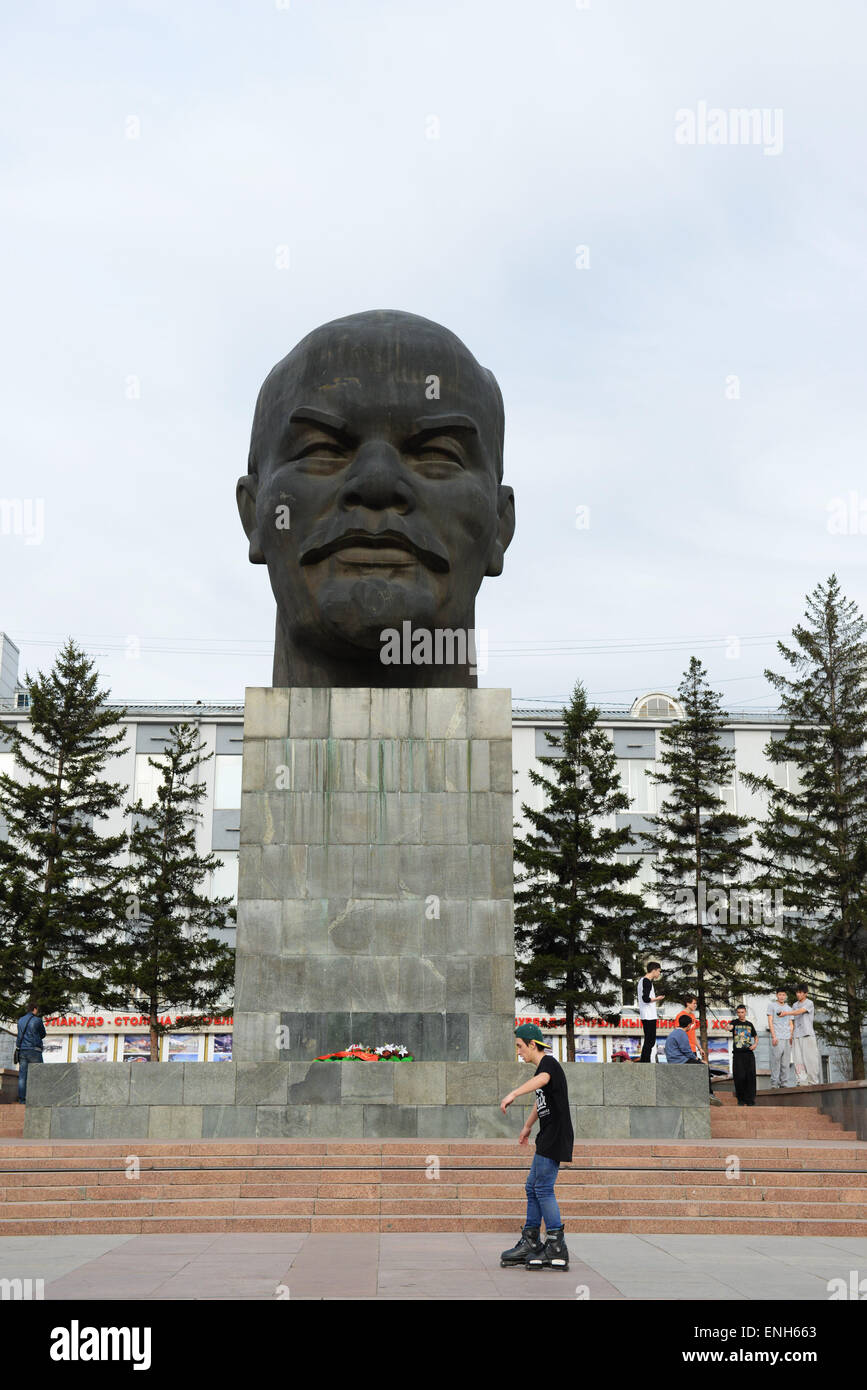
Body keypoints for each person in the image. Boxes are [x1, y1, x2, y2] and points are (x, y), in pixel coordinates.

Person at [499, 1023, 574, 1271]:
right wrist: (528, 1126)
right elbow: (540, 1099)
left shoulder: (548, 1064)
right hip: (546, 1134)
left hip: (555, 1136)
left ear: (533, 1045)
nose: (518, 1051)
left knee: (542, 1188)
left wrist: (513, 1093)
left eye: (520, 1046)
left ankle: (555, 1246)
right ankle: (531, 1242)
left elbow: (543, 1080)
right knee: (532, 1186)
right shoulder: (541, 1070)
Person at [781, 985, 820, 1085]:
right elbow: (793, 1021)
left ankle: (813, 1081)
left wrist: (786, 1013)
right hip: (796, 1036)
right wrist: (791, 1035)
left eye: (801, 992)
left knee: (810, 1059)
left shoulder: (809, 1003)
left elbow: (800, 1011)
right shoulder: (794, 1005)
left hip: (807, 1034)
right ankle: (801, 1081)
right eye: (797, 992)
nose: (798, 994)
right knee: (798, 1059)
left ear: (805, 993)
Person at [16, 1002, 45, 1103]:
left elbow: (19, 1036)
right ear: (35, 1009)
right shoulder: (37, 1020)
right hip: (34, 1050)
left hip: (23, 1050)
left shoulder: (20, 1020)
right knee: (39, 1074)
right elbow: (43, 1034)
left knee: (22, 1075)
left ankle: (22, 1100)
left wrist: (19, 1047)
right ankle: (37, 1098)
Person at [730, 1004, 758, 1105]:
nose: (741, 1014)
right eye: (739, 1012)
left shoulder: (750, 1024)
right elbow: (729, 1027)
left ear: (745, 1012)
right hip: (738, 1055)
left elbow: (755, 1036)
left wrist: (755, 1044)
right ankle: (741, 1099)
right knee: (739, 1077)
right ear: (737, 1013)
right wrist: (728, 1027)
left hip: (749, 1054)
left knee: (750, 1077)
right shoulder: (734, 1022)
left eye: (742, 1012)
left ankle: (750, 1100)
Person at [767, 988, 794, 1089]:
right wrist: (774, 1036)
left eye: (783, 995)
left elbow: (791, 1024)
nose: (782, 996)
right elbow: (770, 1022)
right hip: (777, 1037)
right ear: (777, 995)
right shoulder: (772, 1006)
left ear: (786, 996)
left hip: (787, 1038)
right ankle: (774, 1083)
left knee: (786, 1063)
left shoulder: (789, 1008)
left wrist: (791, 1036)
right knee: (776, 1061)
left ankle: (784, 1084)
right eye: (780, 994)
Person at [638, 963, 665, 1062]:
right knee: (650, 1040)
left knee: (649, 1040)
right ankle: (645, 1061)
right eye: (659, 971)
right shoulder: (647, 981)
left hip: (645, 1014)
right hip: (649, 1015)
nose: (659, 973)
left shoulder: (642, 981)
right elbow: (645, 998)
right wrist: (657, 999)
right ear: (653, 970)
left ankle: (645, 1060)